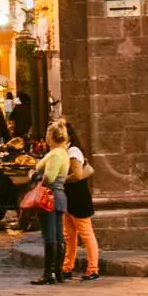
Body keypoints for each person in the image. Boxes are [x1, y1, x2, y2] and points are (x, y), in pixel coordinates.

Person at [29, 122, 73, 285]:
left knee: (50, 236)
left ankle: (50, 273)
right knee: (58, 235)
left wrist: (35, 176)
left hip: (50, 195)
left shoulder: (55, 154)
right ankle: (58, 271)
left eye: (48, 135)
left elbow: (50, 177)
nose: (46, 138)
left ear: (52, 136)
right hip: (59, 194)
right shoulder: (63, 153)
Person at [60, 122, 99, 282]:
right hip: (70, 198)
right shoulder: (65, 151)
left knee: (86, 233)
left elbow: (77, 174)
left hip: (77, 197)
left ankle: (93, 268)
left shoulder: (73, 151)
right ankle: (67, 266)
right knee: (69, 235)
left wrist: (60, 180)